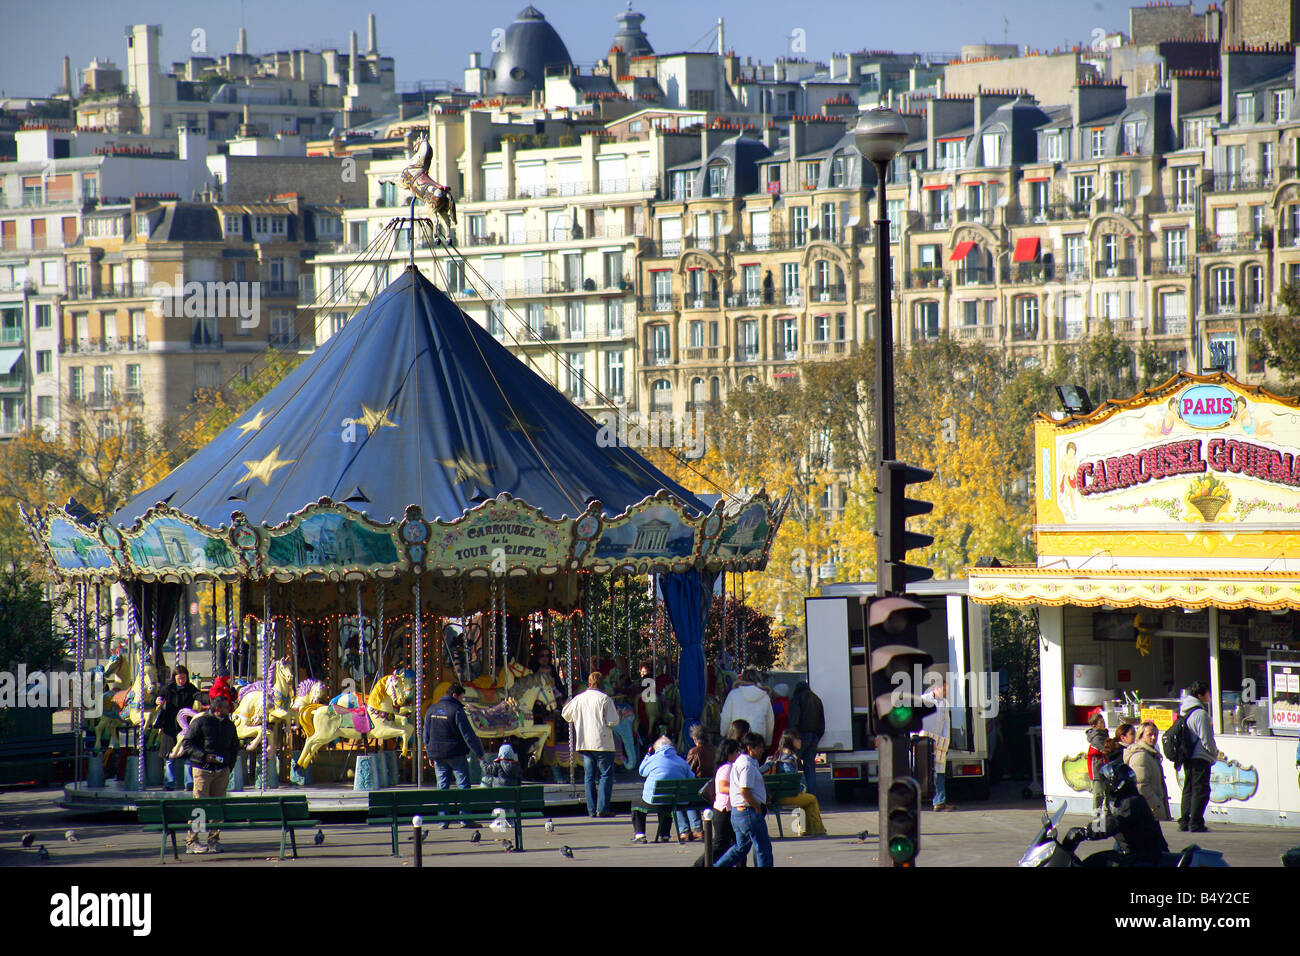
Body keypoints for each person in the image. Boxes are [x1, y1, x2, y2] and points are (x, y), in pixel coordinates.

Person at [1067, 761, 1170, 867]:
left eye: (1107, 783)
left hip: (1142, 857)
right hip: (1137, 853)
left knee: (1094, 863)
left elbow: (1111, 823)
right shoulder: (1129, 799)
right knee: (1096, 860)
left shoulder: (1129, 803)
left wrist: (1085, 831)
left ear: (1117, 784)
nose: (1106, 786)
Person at [178, 691, 241, 854]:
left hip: (221, 769)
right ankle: (192, 841)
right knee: (200, 806)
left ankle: (214, 839)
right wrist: (205, 756)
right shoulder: (202, 722)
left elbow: (235, 747)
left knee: (218, 806)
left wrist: (229, 765)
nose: (230, 709)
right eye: (227, 707)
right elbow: (188, 743)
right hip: (203, 769)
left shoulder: (229, 725)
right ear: (218, 709)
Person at [423, 683, 485, 828]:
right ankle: (465, 818)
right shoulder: (457, 710)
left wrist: (430, 754)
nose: (462, 701)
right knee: (463, 785)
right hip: (456, 753)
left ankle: (443, 820)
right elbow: (468, 734)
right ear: (455, 695)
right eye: (461, 697)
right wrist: (479, 753)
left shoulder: (431, 710)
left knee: (442, 787)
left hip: (437, 754)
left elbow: (426, 735)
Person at [561, 671, 622, 817]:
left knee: (589, 776)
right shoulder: (605, 699)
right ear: (602, 684)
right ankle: (603, 808)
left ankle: (592, 809)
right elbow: (613, 721)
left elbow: (565, 714)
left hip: (585, 741)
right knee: (605, 775)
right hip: (603, 742)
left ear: (589, 683)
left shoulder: (579, 699)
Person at [714, 732, 774, 867]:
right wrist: (756, 806)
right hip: (748, 810)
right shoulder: (747, 764)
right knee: (763, 848)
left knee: (740, 848)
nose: (762, 750)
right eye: (759, 747)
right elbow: (744, 789)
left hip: (738, 812)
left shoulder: (745, 762)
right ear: (749, 747)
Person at [632, 736, 698, 843]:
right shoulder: (681, 761)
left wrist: (648, 755)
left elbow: (642, 771)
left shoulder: (653, 759)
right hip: (677, 801)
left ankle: (640, 835)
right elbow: (691, 777)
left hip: (655, 800)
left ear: (655, 748)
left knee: (636, 803)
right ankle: (665, 835)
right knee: (669, 801)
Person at [765, 730, 827, 836]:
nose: (800, 741)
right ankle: (817, 829)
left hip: (776, 794)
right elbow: (791, 780)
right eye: (797, 739)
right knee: (812, 799)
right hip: (785, 795)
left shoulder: (778, 755)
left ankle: (804, 830)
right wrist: (801, 789)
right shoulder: (788, 759)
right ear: (791, 742)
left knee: (805, 799)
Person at [1178, 680, 1220, 833]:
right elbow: (1206, 739)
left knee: (1188, 788)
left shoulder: (1185, 710)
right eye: (1208, 693)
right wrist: (1214, 753)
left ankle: (1185, 820)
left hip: (1187, 755)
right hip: (1200, 757)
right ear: (1200, 695)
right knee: (1200, 790)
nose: (1210, 696)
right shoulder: (1201, 713)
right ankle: (1195, 822)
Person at [693, 738, 742, 867]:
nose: (739, 754)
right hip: (724, 810)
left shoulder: (729, 767)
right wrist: (740, 790)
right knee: (721, 845)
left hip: (729, 810)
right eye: (737, 751)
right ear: (730, 753)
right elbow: (722, 787)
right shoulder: (727, 767)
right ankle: (699, 865)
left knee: (737, 844)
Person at [154, 663, 199, 791]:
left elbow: (198, 695)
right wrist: (158, 701)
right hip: (169, 726)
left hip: (185, 726)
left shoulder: (190, 689)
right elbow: (157, 698)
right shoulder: (168, 689)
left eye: (183, 678)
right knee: (169, 757)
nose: (181, 681)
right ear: (174, 678)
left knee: (188, 757)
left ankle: (189, 783)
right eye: (179, 678)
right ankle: (169, 783)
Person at [1124, 721, 1171, 821]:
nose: (1153, 738)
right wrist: (1156, 805)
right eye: (1150, 734)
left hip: (1153, 809)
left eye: (1155, 734)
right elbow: (1140, 786)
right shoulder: (1140, 755)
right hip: (1149, 811)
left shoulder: (1151, 754)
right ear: (1141, 735)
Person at [921, 674, 953, 811]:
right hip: (924, 743)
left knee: (940, 771)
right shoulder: (922, 701)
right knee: (922, 771)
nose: (946, 693)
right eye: (944, 690)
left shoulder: (944, 703)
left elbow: (946, 723)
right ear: (937, 688)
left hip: (939, 742)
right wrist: (923, 740)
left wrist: (945, 741)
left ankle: (939, 801)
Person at [719, 669, 774, 747]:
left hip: (737, 736)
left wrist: (723, 733)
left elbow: (726, 717)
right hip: (757, 739)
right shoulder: (765, 697)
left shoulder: (734, 694)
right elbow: (770, 722)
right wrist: (768, 742)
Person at [788, 681, 825, 796]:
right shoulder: (817, 699)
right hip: (814, 735)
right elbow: (822, 721)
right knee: (810, 767)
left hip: (801, 735)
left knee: (791, 763)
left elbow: (794, 719)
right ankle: (812, 794)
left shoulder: (797, 698)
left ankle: (794, 792)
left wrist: (792, 736)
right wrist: (818, 736)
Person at [1085, 711, 1110, 811]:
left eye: (1103, 721)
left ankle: (1107, 812)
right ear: (1094, 725)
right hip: (1098, 770)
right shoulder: (1096, 738)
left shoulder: (1104, 734)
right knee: (1099, 793)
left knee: (1107, 791)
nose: (1104, 723)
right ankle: (1096, 813)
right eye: (1101, 722)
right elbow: (1105, 750)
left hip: (1105, 768)